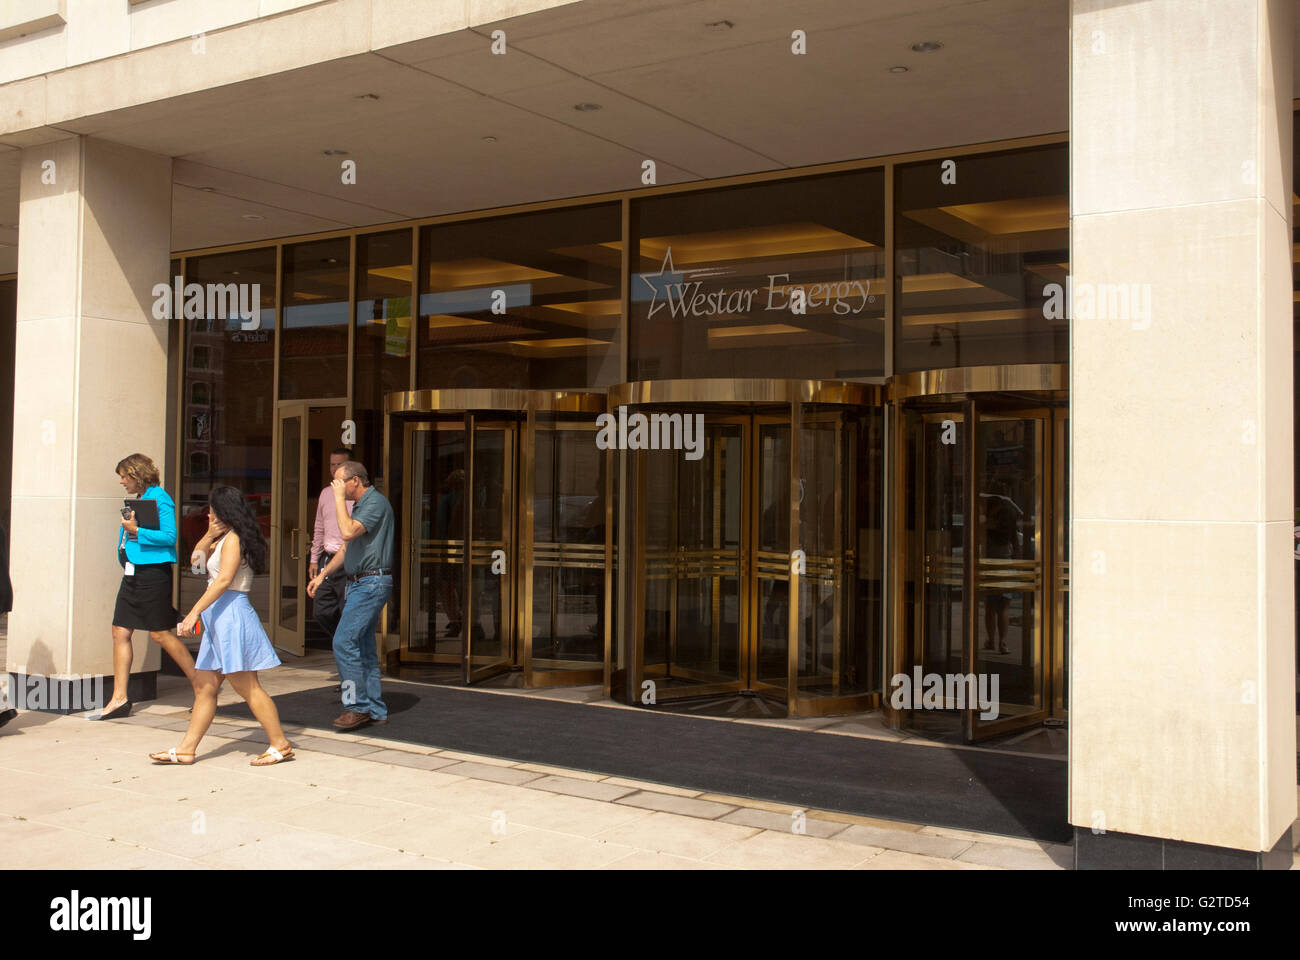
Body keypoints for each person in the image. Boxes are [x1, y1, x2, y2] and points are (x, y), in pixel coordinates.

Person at [148, 485, 292, 765]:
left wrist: (193, 614)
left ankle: (280, 743)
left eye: (212, 509)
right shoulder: (223, 538)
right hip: (219, 618)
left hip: (231, 616)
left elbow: (224, 580)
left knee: (247, 686)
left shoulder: (236, 540)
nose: (209, 513)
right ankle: (187, 748)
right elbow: (197, 564)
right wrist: (209, 534)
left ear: (223, 510)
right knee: (204, 687)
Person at [97, 454, 196, 720]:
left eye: (124, 476)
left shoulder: (159, 497)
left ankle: (203, 686)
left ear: (136, 474)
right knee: (120, 631)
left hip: (153, 575)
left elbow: (170, 536)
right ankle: (119, 698)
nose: (121, 482)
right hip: (132, 575)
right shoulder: (139, 499)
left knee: (161, 634)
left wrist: (136, 531)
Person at [307, 460, 394, 731]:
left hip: (371, 583)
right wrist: (322, 575)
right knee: (363, 646)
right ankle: (374, 708)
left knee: (343, 643)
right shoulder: (360, 506)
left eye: (338, 480)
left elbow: (346, 531)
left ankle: (356, 707)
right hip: (359, 582)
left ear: (355, 481)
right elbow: (347, 548)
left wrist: (335, 499)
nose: (334, 485)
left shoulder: (375, 503)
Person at [309, 447, 355, 641]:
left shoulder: (356, 496)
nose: (334, 468)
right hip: (327, 559)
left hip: (349, 559)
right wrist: (313, 559)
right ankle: (343, 644)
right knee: (321, 611)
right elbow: (319, 527)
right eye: (332, 464)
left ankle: (347, 648)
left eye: (339, 464)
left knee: (348, 612)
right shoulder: (325, 493)